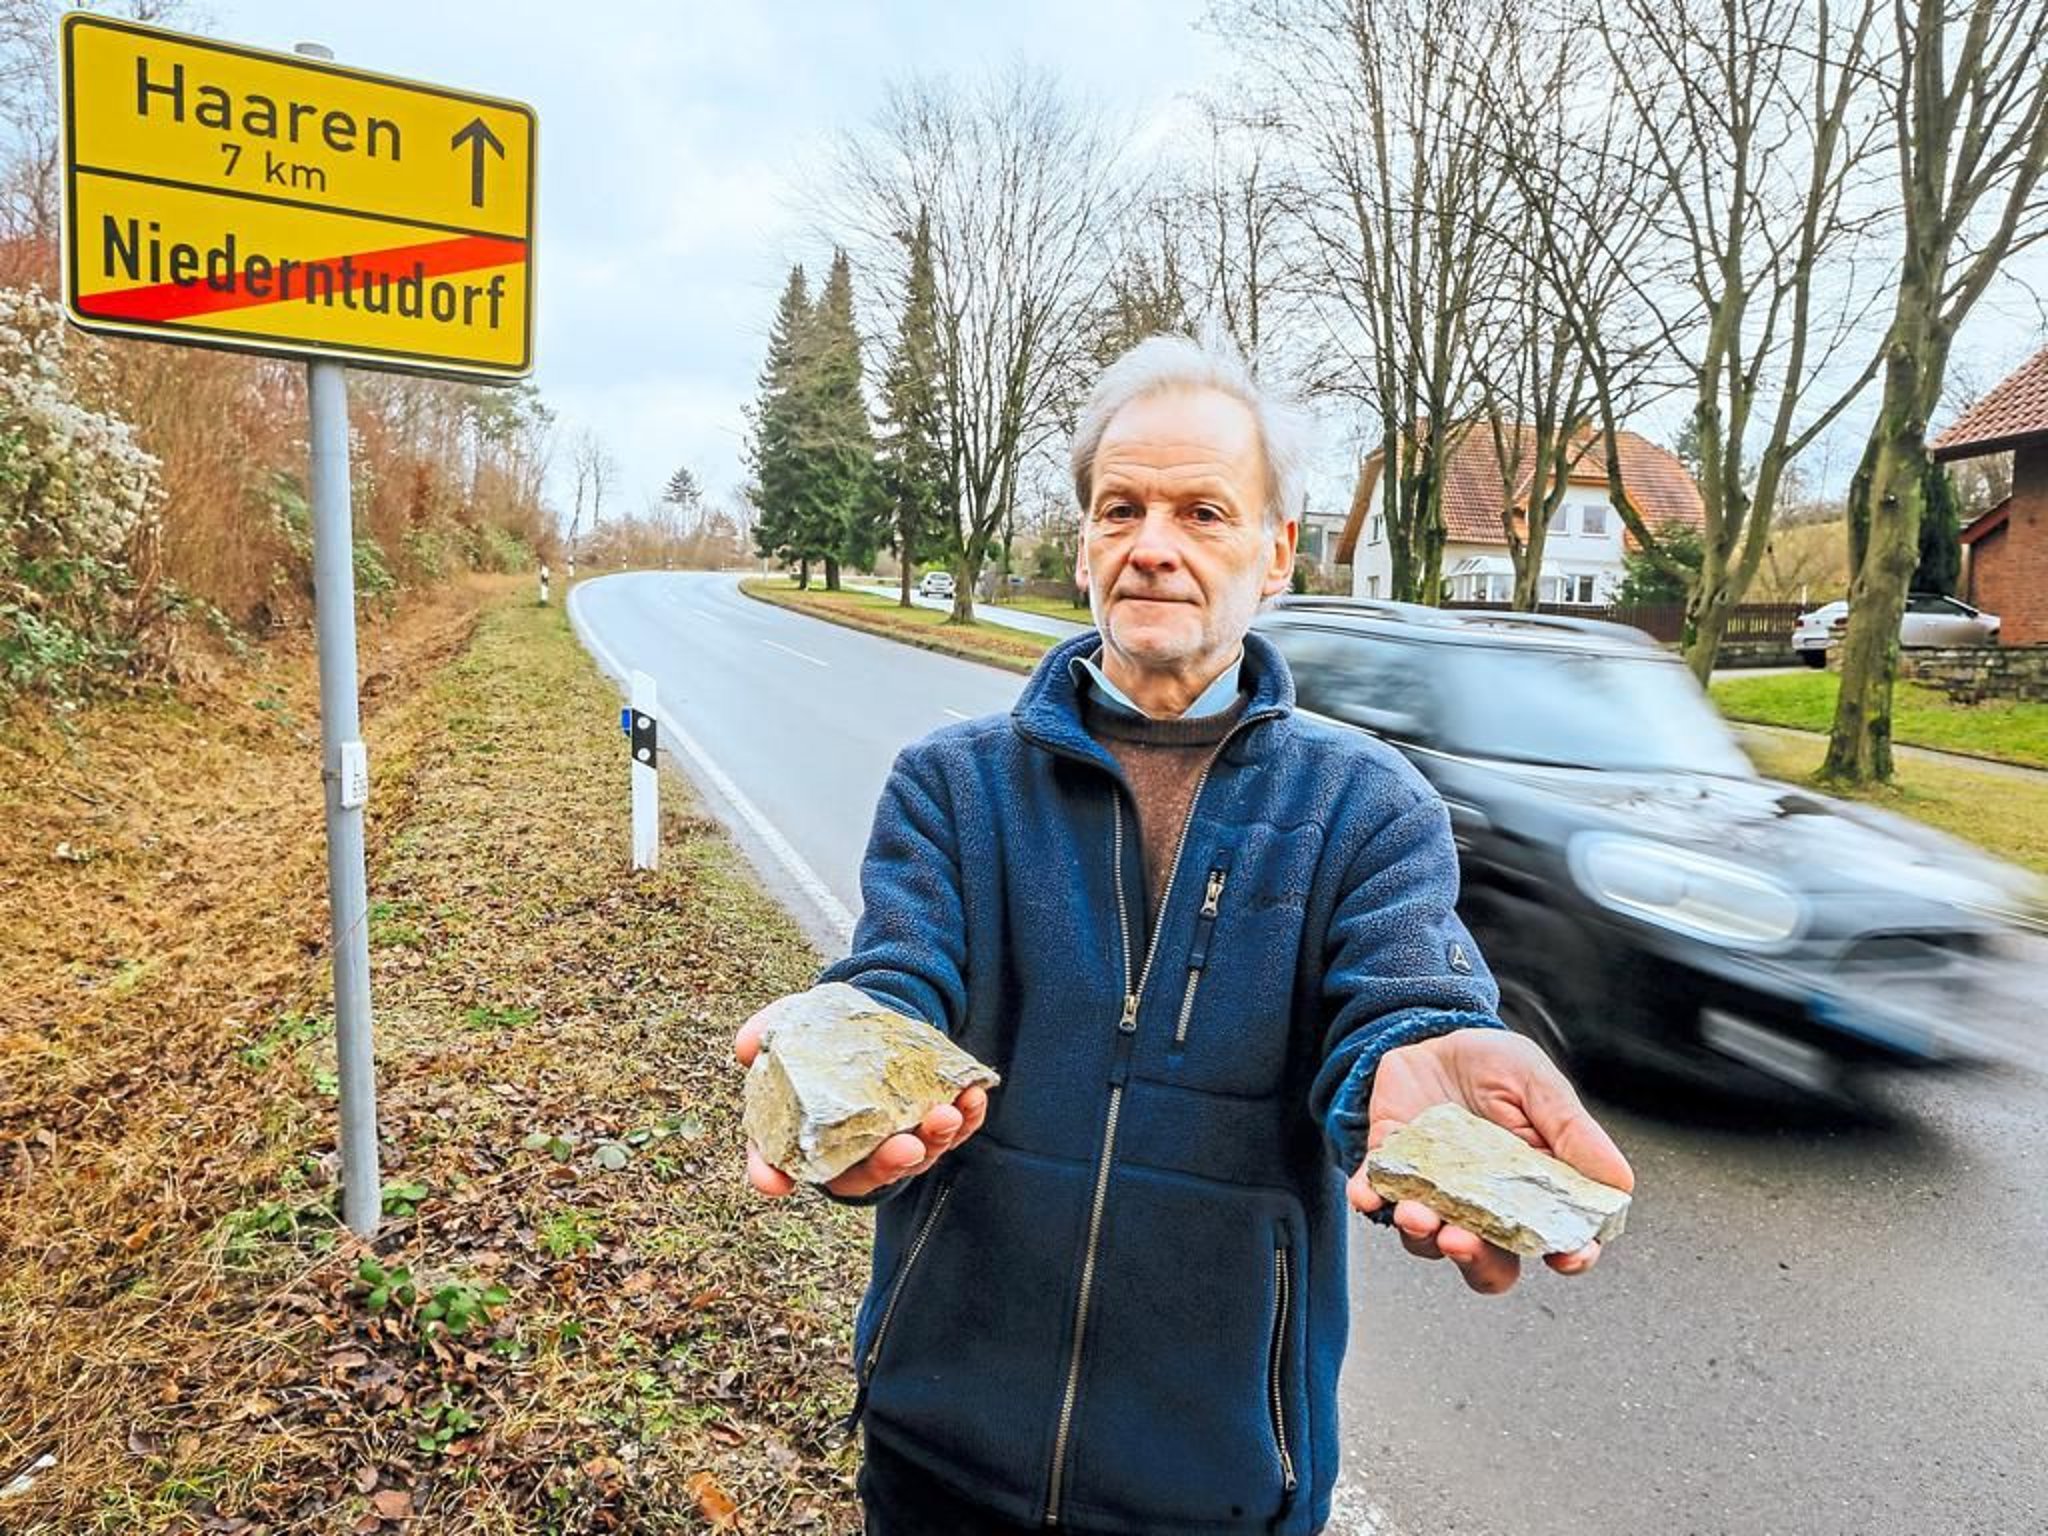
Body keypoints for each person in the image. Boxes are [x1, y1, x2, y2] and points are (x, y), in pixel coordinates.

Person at [735, 334, 1634, 1535]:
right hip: (937, 1450)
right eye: (1122, 508)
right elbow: (898, 978)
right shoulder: (951, 786)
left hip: (1216, 1483)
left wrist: (1413, 1063)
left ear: (1273, 554)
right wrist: (848, 1067)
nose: (1152, 544)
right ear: (1083, 544)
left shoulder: (1364, 807)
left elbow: (1397, 1007)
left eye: (1202, 511)